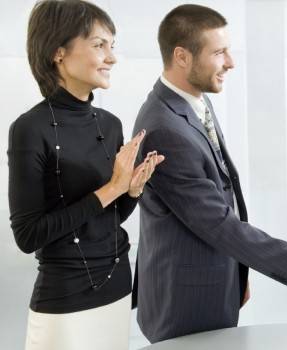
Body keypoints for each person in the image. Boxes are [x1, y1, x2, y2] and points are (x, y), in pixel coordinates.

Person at [132, 4, 287, 343]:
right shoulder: (165, 127)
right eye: (219, 52)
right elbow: (214, 221)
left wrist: (236, 273)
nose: (231, 62)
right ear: (182, 57)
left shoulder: (192, 102)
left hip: (208, 283)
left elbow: (219, 201)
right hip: (184, 303)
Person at [8, 1, 162, 349]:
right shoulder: (29, 129)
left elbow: (109, 219)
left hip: (118, 287)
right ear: (58, 52)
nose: (112, 57)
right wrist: (113, 188)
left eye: (112, 46)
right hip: (64, 301)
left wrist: (131, 192)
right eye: (99, 45)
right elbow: (28, 235)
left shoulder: (110, 125)